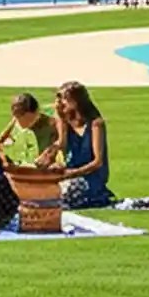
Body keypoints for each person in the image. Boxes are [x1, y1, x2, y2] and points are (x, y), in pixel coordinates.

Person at [44, 81, 114, 209]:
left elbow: (97, 162)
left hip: (91, 177)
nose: (61, 103)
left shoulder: (95, 124)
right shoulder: (65, 122)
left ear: (76, 101)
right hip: (70, 172)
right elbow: (62, 143)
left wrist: (72, 173)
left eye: (65, 99)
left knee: (66, 191)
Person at [0, 93, 59, 166]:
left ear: (35, 111)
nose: (20, 121)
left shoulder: (52, 123)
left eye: (23, 117)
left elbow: (54, 151)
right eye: (17, 117)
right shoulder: (17, 120)